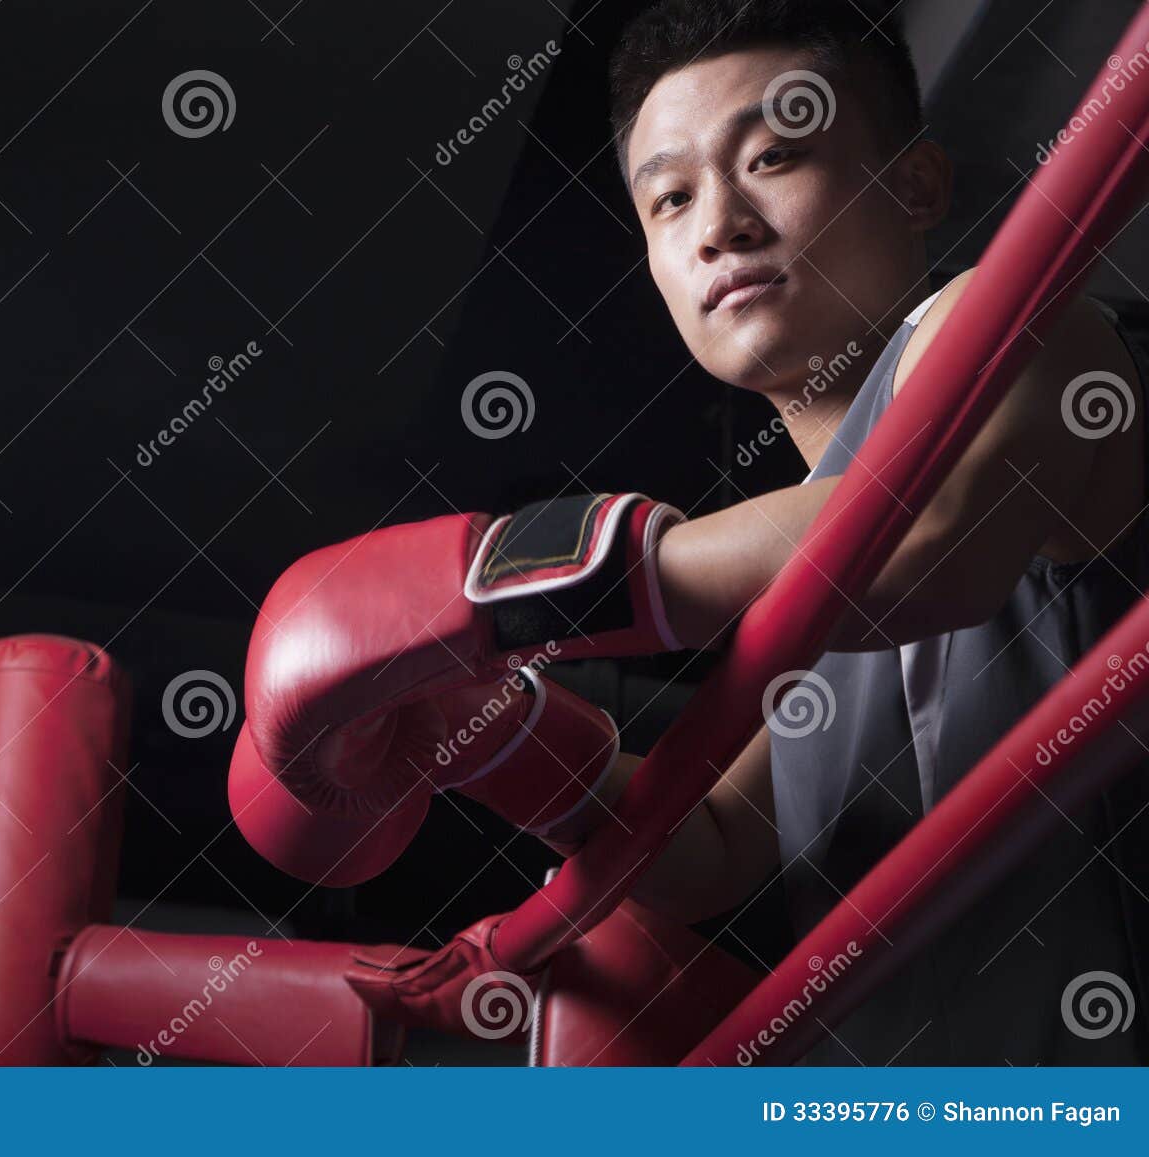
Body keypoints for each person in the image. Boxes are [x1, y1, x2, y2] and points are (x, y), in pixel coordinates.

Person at [239, 0, 1149, 1064]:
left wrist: (498, 588)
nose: (718, 221)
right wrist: (489, 731)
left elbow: (922, 541)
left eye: (773, 155)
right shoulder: (798, 582)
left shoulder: (1023, 329)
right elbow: (707, 845)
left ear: (915, 184)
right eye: (670, 198)